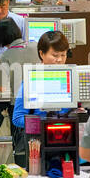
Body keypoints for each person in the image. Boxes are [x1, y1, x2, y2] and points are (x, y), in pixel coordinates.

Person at [11, 30, 70, 163]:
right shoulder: (29, 80)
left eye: (63, 55)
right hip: (39, 143)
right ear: (41, 54)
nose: (59, 60)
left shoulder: (69, 77)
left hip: (66, 141)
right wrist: (45, 122)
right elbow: (18, 118)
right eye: (54, 55)